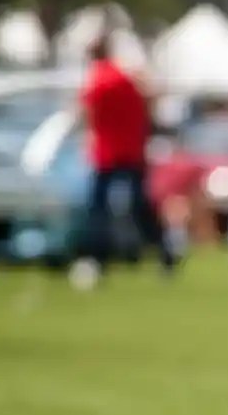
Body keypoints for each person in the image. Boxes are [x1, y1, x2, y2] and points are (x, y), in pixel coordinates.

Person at [72, 32, 175, 289]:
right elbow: (152, 99)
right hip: (130, 151)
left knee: (99, 211)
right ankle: (164, 253)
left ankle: (98, 259)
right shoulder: (125, 76)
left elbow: (83, 111)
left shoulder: (100, 78)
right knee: (138, 208)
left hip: (110, 153)